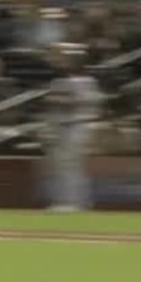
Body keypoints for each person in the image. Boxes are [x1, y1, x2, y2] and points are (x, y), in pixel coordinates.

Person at [43, 51, 104, 212]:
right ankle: (62, 201)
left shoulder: (87, 81)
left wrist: (59, 99)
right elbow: (54, 101)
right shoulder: (59, 81)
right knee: (59, 166)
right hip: (60, 126)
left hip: (77, 125)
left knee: (73, 165)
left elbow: (77, 102)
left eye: (69, 60)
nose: (66, 63)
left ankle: (76, 203)